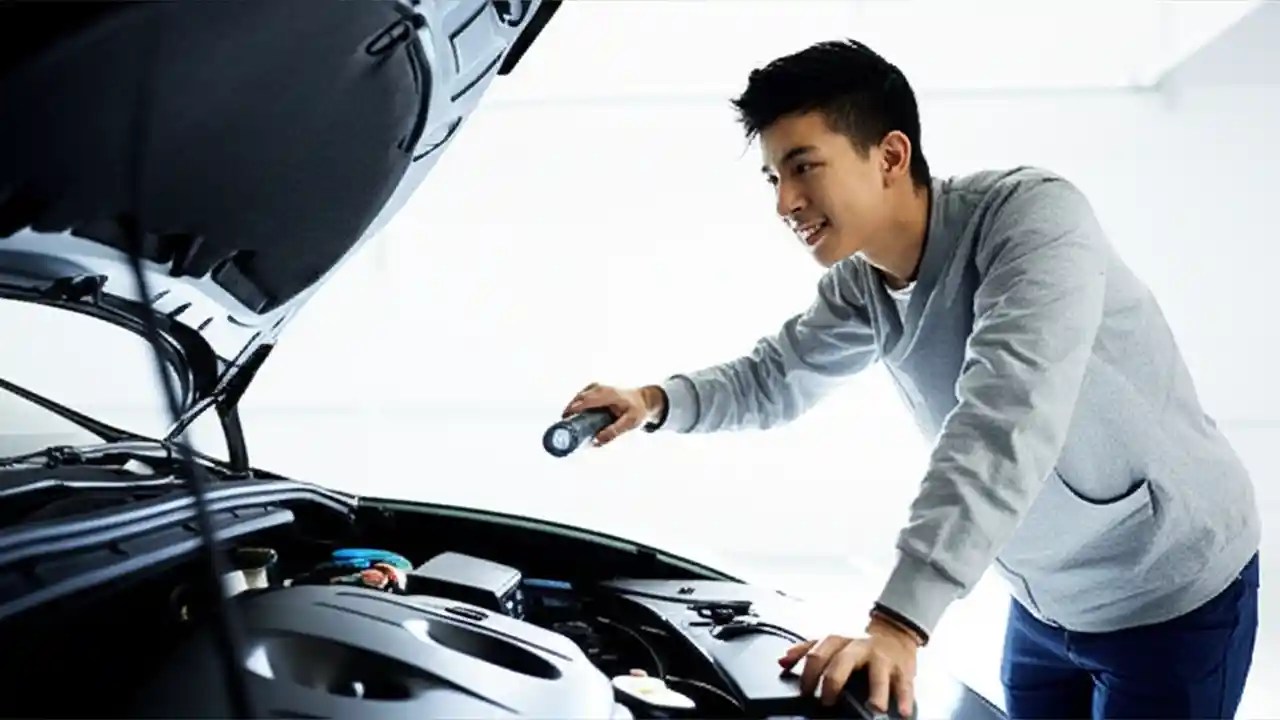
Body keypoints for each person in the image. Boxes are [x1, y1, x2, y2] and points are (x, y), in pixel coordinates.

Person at [560, 39, 1262, 720]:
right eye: (775, 178)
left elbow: (1004, 417)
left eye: (804, 167)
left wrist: (898, 623)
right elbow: (775, 376)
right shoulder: (862, 283)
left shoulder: (1034, 221)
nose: (785, 203)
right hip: (1046, 607)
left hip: (1170, 595)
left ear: (890, 155)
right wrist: (654, 402)